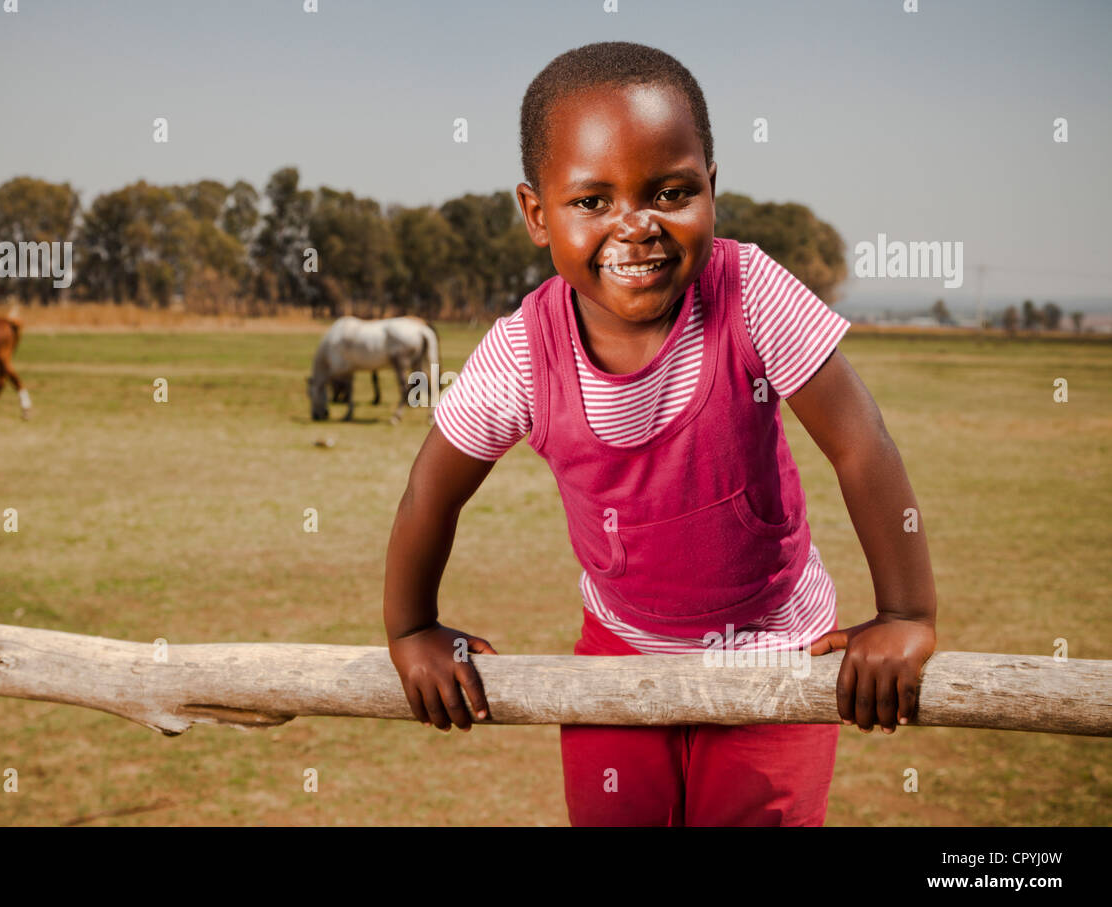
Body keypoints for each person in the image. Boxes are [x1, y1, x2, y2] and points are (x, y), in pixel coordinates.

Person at [382, 41, 937, 826]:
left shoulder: (749, 293)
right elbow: (429, 492)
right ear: (537, 214)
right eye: (591, 201)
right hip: (618, 654)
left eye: (670, 192)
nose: (635, 226)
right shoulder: (522, 351)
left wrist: (907, 613)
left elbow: (862, 444)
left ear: (713, 188)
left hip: (775, 653)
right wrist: (412, 628)